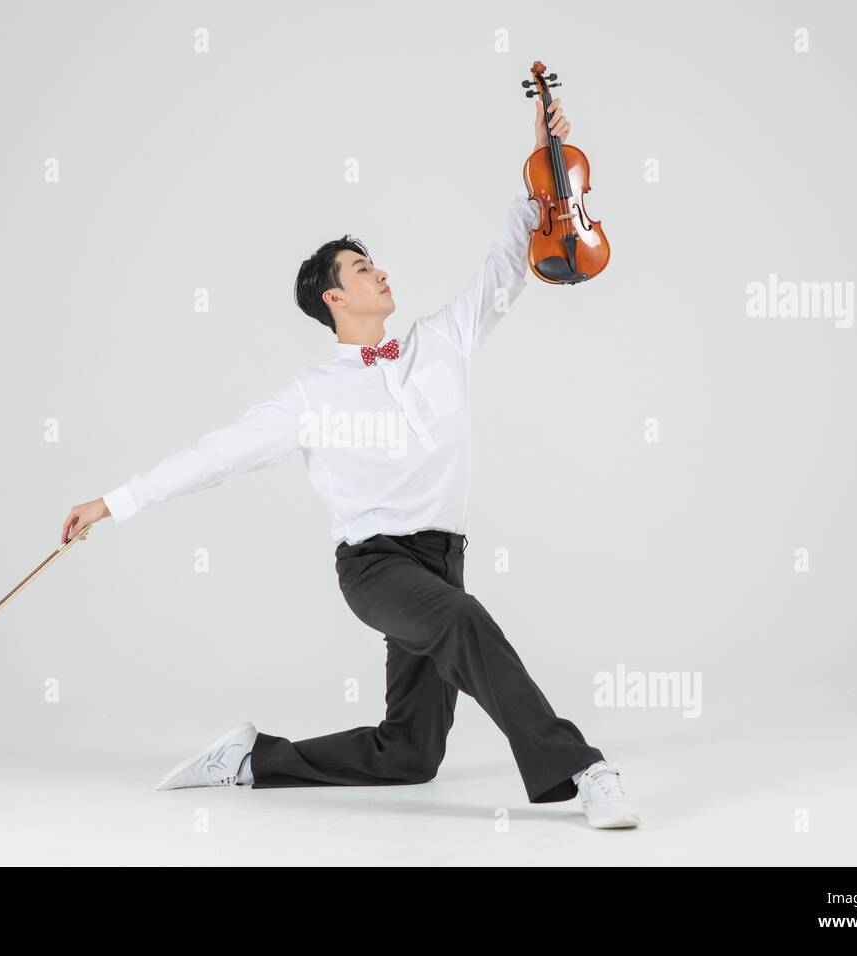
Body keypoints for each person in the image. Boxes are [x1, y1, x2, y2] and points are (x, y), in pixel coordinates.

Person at [60, 98, 640, 828]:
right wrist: (112, 502)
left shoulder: (441, 342)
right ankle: (583, 769)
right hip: (375, 569)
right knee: (463, 621)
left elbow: (504, 266)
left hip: (442, 561)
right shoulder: (310, 395)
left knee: (410, 753)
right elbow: (214, 455)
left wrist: (543, 184)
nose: (382, 273)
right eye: (364, 269)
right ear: (335, 298)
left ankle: (249, 759)